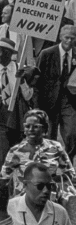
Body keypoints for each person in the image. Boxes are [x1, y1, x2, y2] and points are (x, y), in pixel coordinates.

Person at [0, 39, 36, 173]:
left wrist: (23, 81)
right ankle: (1, 180)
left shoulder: (21, 69)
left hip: (16, 114)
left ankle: (15, 179)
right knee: (2, 150)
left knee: (16, 149)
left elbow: (28, 96)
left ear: (7, 53)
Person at [0, 110, 76, 197]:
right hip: (23, 200)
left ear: (44, 128)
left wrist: (51, 181)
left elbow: (70, 175)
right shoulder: (16, 151)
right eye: (27, 126)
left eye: (35, 127)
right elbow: (3, 178)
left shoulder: (55, 147)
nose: (30, 130)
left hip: (49, 198)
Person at [32, 25, 76, 156]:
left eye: (72, 38)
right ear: (60, 37)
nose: (69, 41)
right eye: (66, 38)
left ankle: (66, 162)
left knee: (71, 134)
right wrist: (37, 107)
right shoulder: (47, 54)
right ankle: (49, 167)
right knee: (49, 137)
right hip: (49, 101)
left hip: (69, 101)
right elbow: (37, 81)